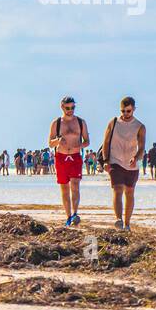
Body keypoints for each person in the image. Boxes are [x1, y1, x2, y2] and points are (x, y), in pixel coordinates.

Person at [101, 96, 145, 232]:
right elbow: (106, 142)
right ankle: (119, 220)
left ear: (134, 109)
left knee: (130, 192)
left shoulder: (140, 126)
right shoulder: (113, 122)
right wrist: (105, 161)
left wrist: (136, 158)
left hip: (132, 165)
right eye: (123, 111)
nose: (125, 114)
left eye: (128, 111)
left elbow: (142, 147)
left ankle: (127, 224)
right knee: (118, 189)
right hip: (115, 161)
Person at [49, 95, 90, 227]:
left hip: (75, 157)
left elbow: (87, 141)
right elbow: (50, 143)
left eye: (72, 107)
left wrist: (79, 146)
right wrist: (58, 141)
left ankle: (75, 213)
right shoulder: (56, 123)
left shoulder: (80, 122)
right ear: (62, 107)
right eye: (67, 108)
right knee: (64, 188)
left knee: (75, 186)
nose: (70, 110)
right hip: (61, 157)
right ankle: (68, 216)